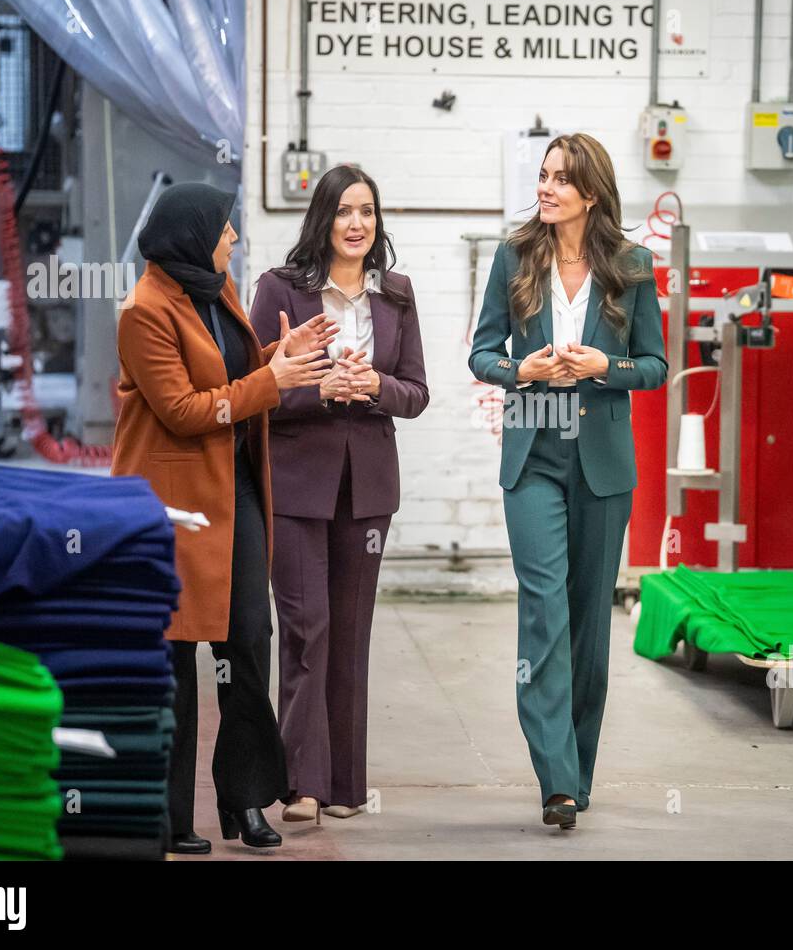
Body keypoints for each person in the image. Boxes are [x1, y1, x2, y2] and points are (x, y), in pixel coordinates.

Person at [111, 182, 336, 854]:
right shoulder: (143, 310)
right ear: (193, 234)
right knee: (176, 659)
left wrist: (279, 357)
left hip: (232, 490)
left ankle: (244, 800)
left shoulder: (214, 285)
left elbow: (230, 374)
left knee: (247, 644)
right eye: (226, 227)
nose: (234, 236)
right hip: (172, 506)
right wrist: (274, 384)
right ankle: (172, 820)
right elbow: (183, 409)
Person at [468, 134, 667, 829]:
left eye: (560, 179)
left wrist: (600, 369)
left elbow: (655, 366)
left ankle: (577, 773)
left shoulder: (633, 267)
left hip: (603, 465)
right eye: (543, 176)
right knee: (545, 608)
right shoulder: (514, 257)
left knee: (590, 623)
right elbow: (482, 351)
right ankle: (555, 777)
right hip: (534, 459)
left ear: (591, 193)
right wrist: (521, 371)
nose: (546, 188)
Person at [250, 164, 428, 825]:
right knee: (305, 629)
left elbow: (415, 391)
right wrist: (316, 389)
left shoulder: (398, 294)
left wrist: (372, 387)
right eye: (345, 211)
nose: (357, 224)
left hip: (367, 490)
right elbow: (252, 386)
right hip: (296, 486)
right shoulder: (280, 290)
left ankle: (345, 785)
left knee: (350, 635)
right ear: (321, 219)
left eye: (368, 212)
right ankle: (301, 784)